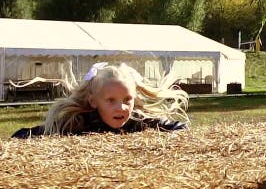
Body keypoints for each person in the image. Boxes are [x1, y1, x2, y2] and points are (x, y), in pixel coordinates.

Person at [12, 62, 189, 139]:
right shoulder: (78, 123)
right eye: (110, 100)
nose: (121, 107)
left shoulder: (139, 121)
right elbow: (22, 135)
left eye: (127, 99)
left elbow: (180, 129)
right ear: (93, 101)